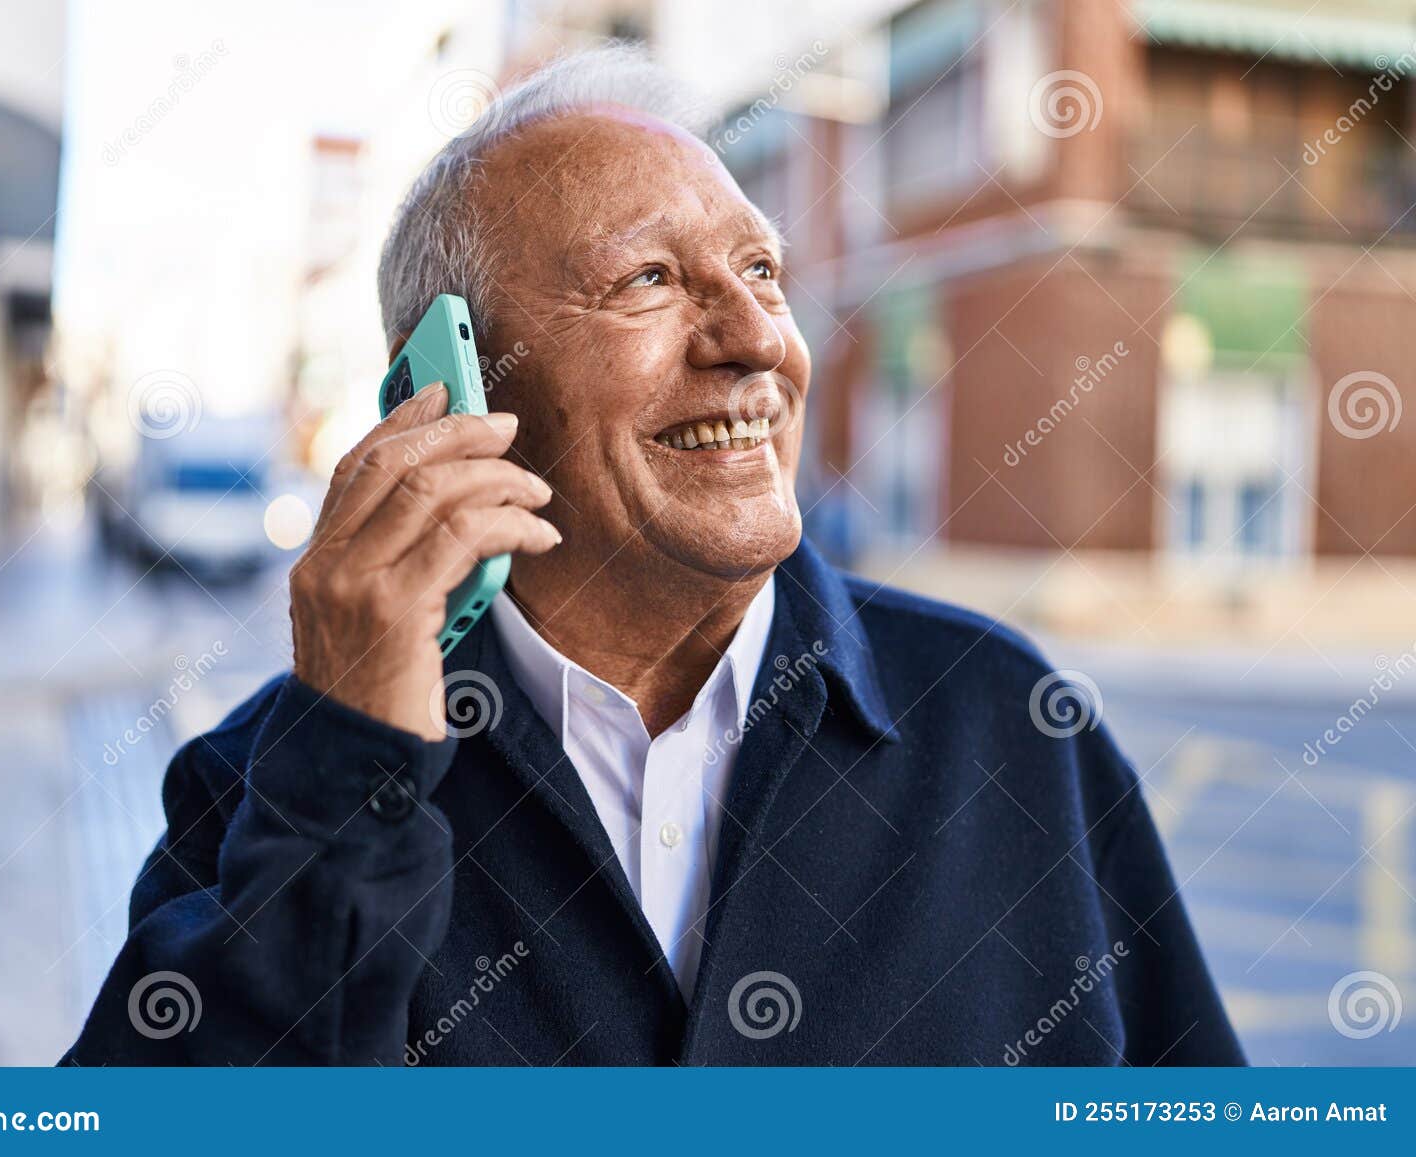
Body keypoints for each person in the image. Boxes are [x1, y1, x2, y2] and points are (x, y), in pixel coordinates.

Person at [64, 47, 1243, 1066]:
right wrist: (346, 773)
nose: (757, 340)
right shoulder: (267, 781)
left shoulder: (1007, 725)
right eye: (649, 279)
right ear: (452, 387)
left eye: (763, 270)